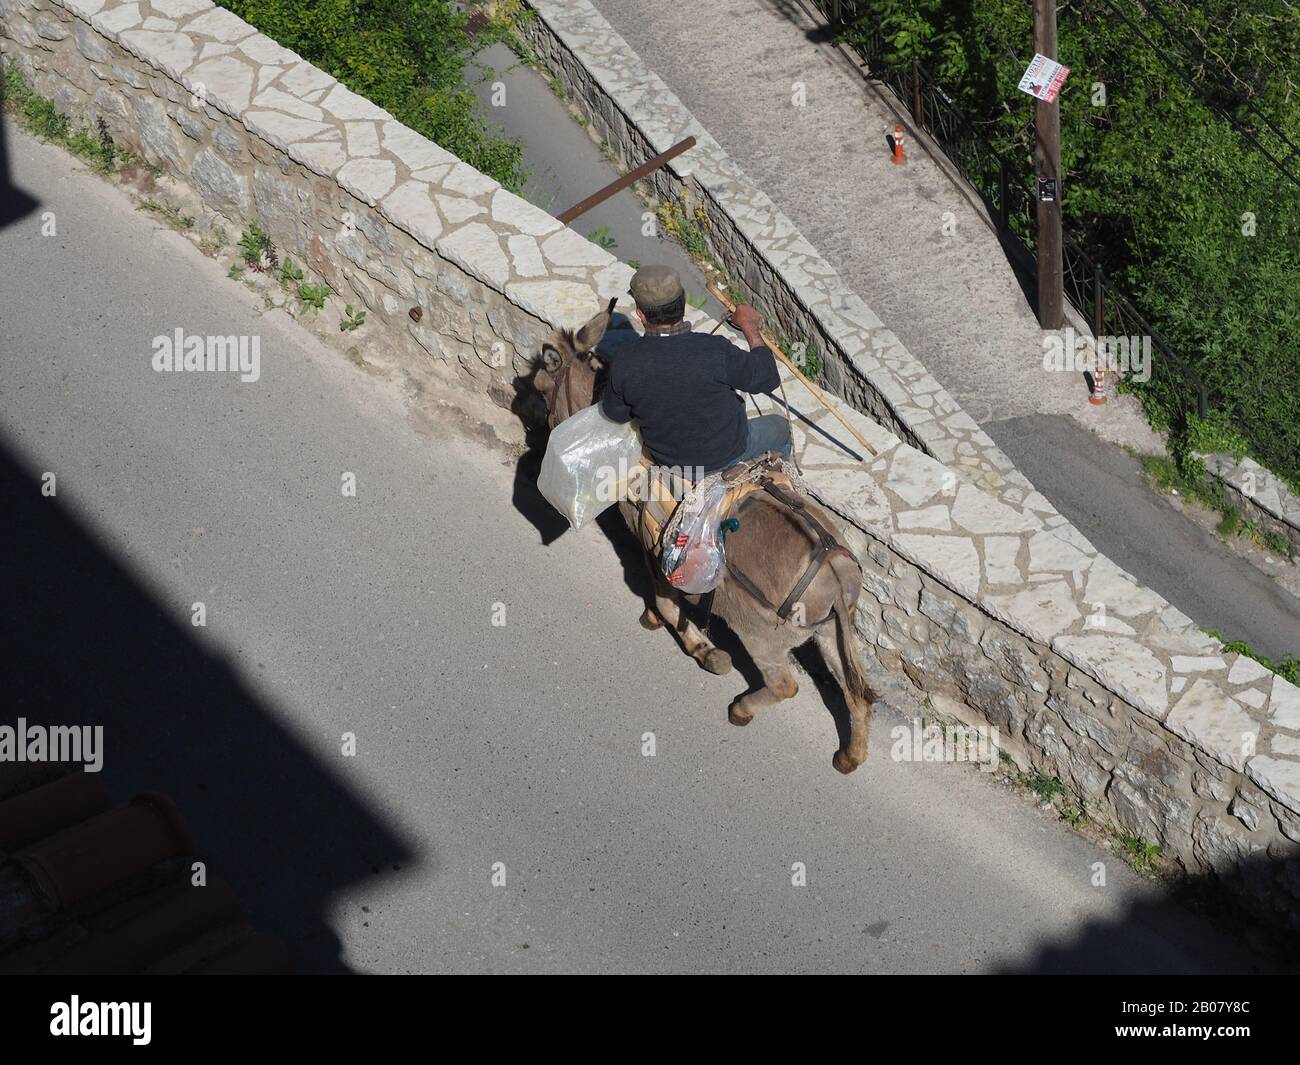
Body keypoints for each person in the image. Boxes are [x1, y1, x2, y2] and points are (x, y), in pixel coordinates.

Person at [600, 265, 793, 476]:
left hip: (672, 463)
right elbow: (767, 378)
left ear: (640, 314)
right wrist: (750, 327)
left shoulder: (625, 361)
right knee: (781, 427)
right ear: (682, 303)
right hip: (730, 451)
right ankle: (781, 475)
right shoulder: (714, 349)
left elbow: (615, 413)